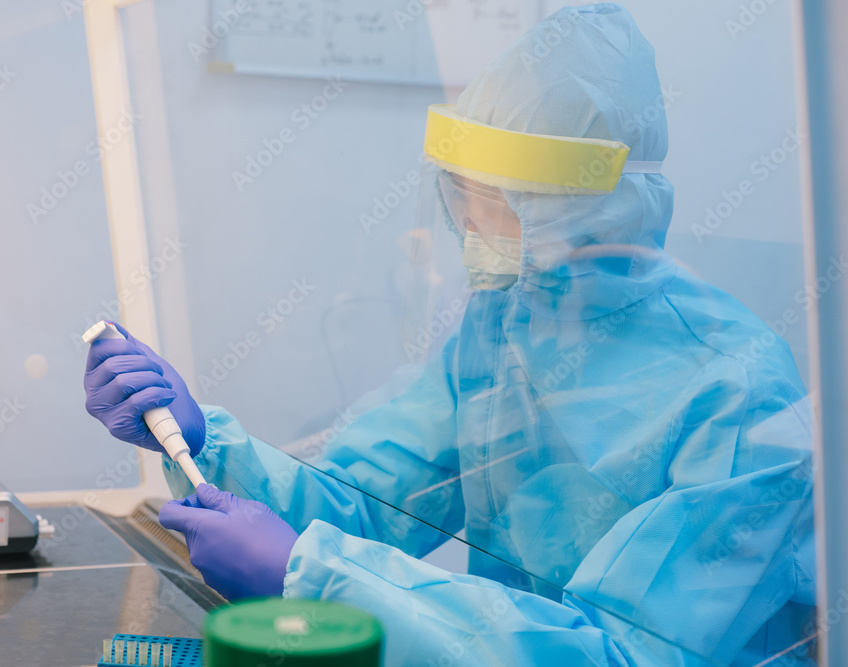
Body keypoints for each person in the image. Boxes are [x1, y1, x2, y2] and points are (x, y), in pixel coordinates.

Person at [84, 4, 816, 665]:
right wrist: (205, 445)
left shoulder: (740, 397)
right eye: (460, 196)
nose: (469, 230)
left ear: (594, 204)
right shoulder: (509, 322)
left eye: (496, 203)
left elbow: (618, 656)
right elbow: (368, 500)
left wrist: (311, 576)